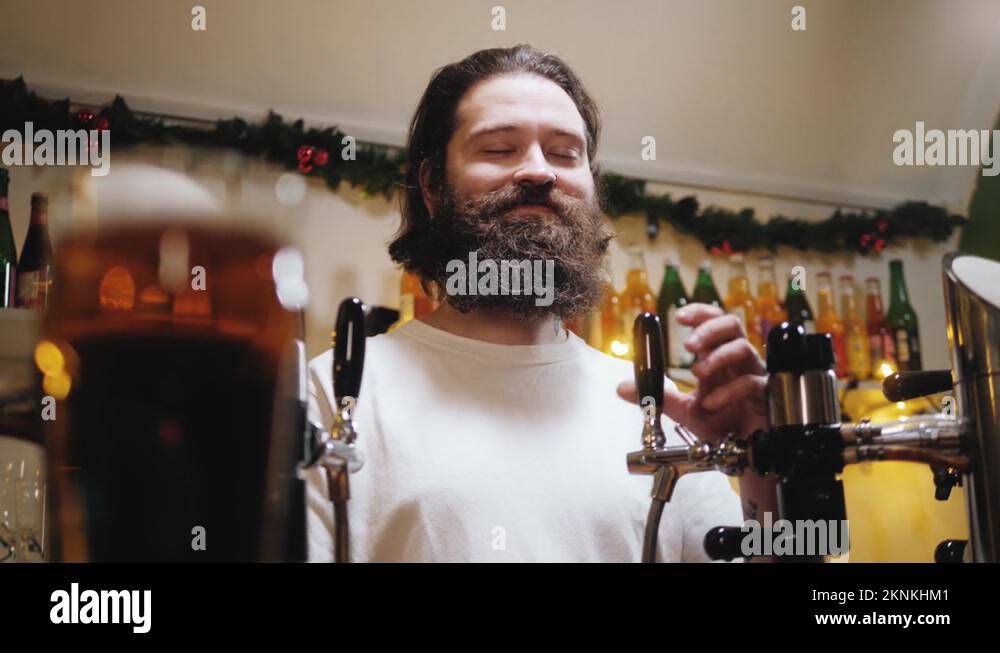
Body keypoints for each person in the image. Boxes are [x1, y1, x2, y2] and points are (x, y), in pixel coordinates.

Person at [306, 44, 778, 562]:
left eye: (563, 153)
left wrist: (767, 468)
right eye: (499, 149)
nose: (538, 172)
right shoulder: (337, 390)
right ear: (433, 186)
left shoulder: (655, 403)